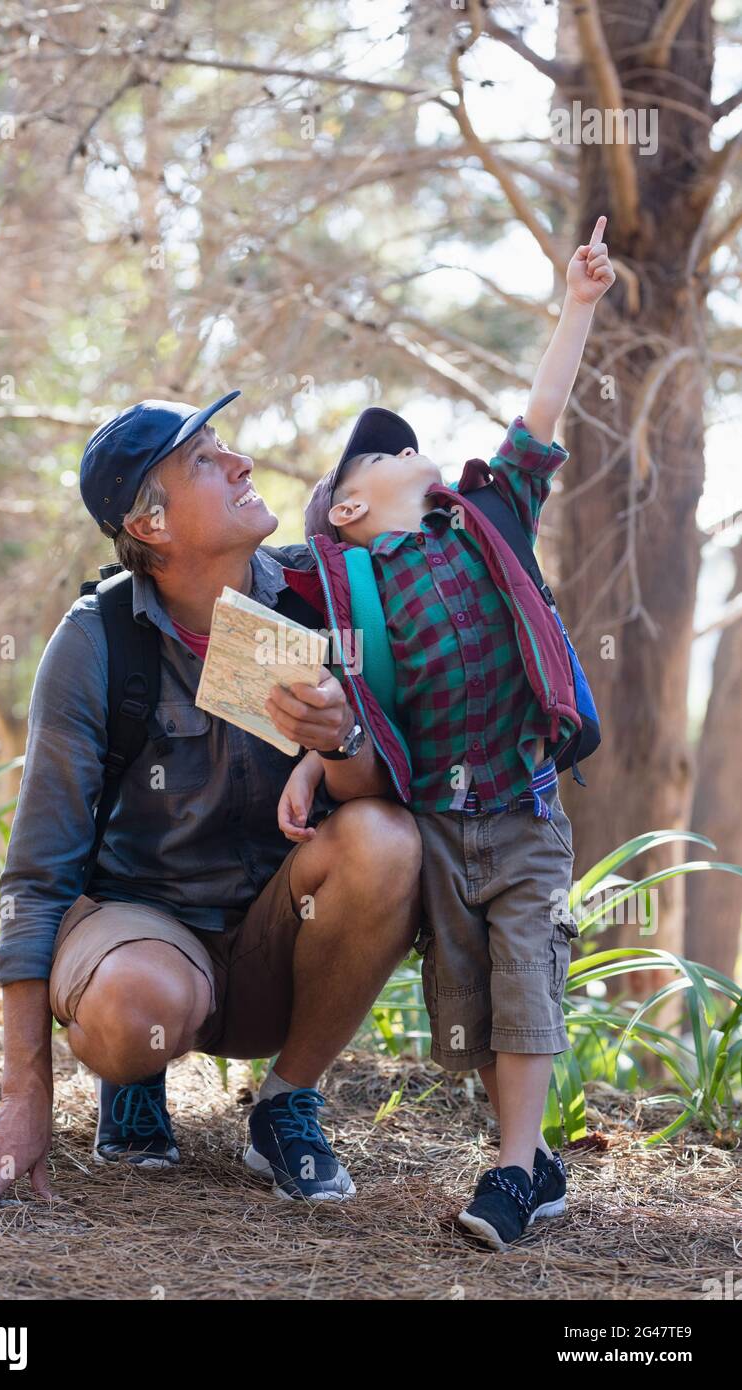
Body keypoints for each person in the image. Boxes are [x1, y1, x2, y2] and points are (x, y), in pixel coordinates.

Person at [0, 391, 422, 1211]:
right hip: (142, 932)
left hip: (274, 943)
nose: (242, 463)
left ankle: (287, 1100)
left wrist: (342, 741)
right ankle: (135, 1075)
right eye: (205, 460)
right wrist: (24, 1098)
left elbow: (378, 798)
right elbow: (36, 876)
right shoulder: (97, 640)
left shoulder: (315, 600)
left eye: (228, 447)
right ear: (150, 525)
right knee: (134, 1006)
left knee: (388, 841)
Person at [278, 218, 616, 1247]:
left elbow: (538, 417)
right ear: (343, 509)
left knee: (524, 975)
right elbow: (343, 695)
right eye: (384, 453)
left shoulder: (486, 519)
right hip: (436, 829)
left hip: (517, 809)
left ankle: (510, 1174)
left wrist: (576, 307)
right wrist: (306, 757)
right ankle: (537, 1160)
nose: (409, 449)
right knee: (467, 1013)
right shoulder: (346, 590)